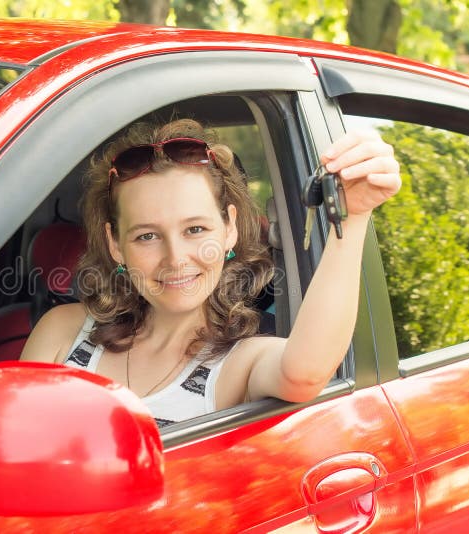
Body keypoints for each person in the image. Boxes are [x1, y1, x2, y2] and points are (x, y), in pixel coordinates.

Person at [20, 118, 400, 427]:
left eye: (195, 230)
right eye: (147, 235)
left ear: (229, 228)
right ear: (115, 244)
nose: (176, 258)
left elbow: (305, 372)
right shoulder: (63, 332)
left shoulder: (237, 365)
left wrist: (354, 216)